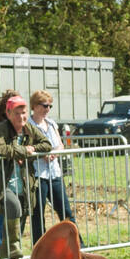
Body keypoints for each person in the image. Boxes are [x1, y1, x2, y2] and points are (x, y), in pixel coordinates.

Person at [0, 92, 51, 259]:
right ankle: (12, 249)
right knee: (12, 207)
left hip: (22, 181)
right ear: (8, 114)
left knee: (20, 214)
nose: (22, 116)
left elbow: (46, 144)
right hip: (1, 181)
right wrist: (23, 151)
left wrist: (32, 148)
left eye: (24, 112)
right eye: (17, 113)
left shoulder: (29, 128)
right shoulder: (1, 128)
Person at [27, 90, 77, 240]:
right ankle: (40, 248)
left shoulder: (51, 123)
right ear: (35, 106)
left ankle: (77, 243)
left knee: (65, 211)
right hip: (37, 174)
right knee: (38, 215)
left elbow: (60, 144)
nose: (47, 109)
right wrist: (42, 154)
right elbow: (29, 147)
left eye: (50, 106)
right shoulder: (28, 125)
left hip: (54, 173)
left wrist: (55, 152)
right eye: (44, 105)